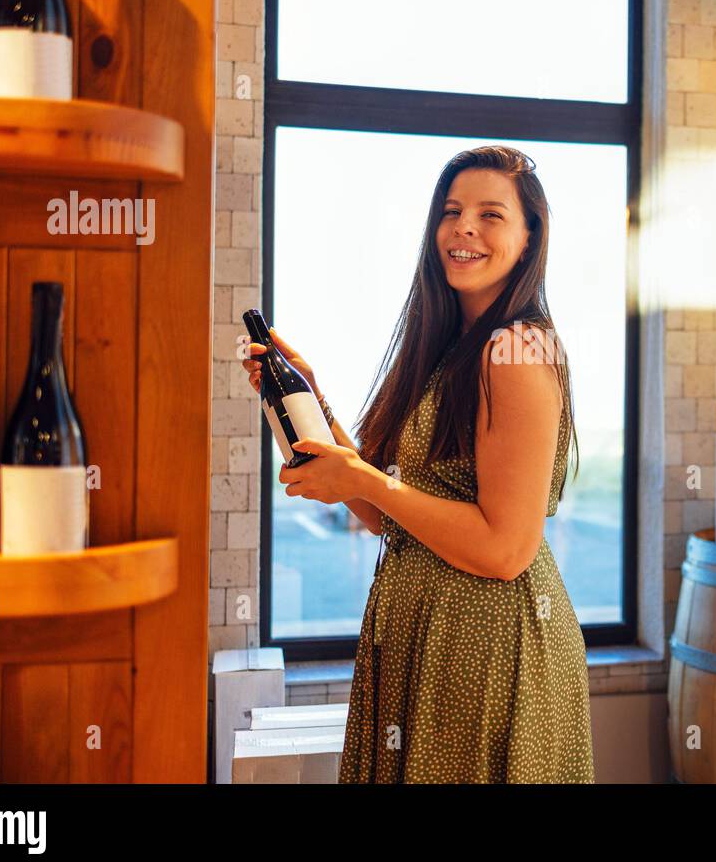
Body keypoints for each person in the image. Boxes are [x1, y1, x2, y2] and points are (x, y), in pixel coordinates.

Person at [242, 145, 594, 783]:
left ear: (529, 237)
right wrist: (310, 400)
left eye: (491, 215)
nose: (464, 228)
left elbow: (507, 549)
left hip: (488, 656)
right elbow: (384, 512)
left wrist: (363, 477)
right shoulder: (448, 347)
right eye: (452, 211)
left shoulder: (517, 350)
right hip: (426, 647)